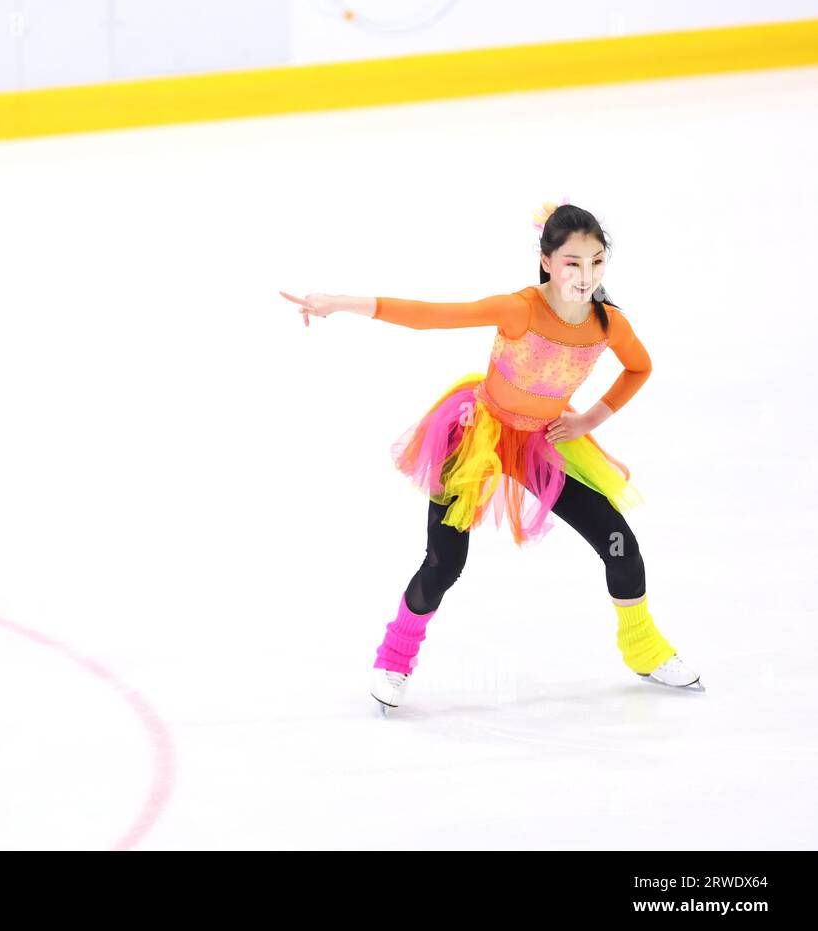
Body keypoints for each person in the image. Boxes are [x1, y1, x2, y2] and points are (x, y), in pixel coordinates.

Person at [280, 201, 702, 711]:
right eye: (572, 262)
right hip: (477, 433)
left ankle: (644, 649)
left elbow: (639, 367)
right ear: (547, 261)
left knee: (619, 543)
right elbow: (431, 317)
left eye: (596, 262)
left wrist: (589, 420)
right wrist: (340, 302)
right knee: (444, 562)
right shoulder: (520, 308)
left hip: (540, 442)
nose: (585, 275)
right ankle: (395, 658)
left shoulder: (608, 325)